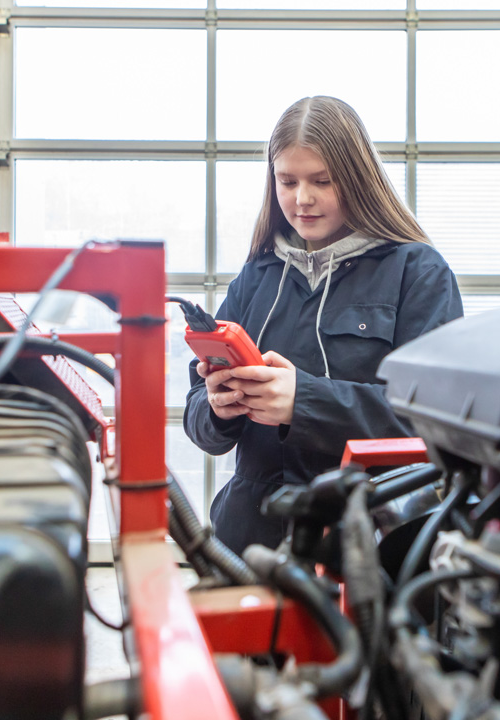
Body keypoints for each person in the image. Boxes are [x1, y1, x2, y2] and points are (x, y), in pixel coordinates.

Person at [184, 96, 464, 556]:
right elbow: (198, 421)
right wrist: (218, 406)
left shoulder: (418, 273)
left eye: (322, 181)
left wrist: (304, 401)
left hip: (369, 545)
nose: (302, 199)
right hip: (251, 540)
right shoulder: (256, 276)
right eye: (287, 181)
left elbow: (436, 419)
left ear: (358, 180)